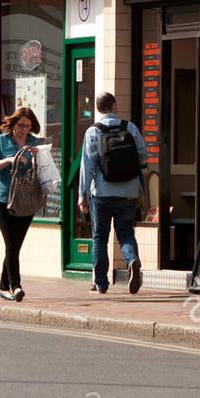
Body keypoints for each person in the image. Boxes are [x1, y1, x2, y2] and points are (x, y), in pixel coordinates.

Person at [78, 92, 147, 295]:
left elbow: (87, 167)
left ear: (98, 109)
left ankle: (101, 283)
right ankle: (132, 260)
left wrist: (83, 195)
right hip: (128, 192)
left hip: (102, 193)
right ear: (115, 106)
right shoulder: (130, 128)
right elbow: (143, 157)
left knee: (100, 237)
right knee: (126, 233)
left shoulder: (93, 132)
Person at [0, 106, 43, 302]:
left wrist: (38, 156)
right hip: (3, 200)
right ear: (13, 124)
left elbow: (40, 168)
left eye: (27, 126)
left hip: (25, 200)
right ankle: (16, 285)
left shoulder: (33, 142)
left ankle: (3, 286)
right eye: (20, 125)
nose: (23, 130)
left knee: (15, 246)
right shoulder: (1, 141)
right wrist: (9, 160)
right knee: (11, 244)